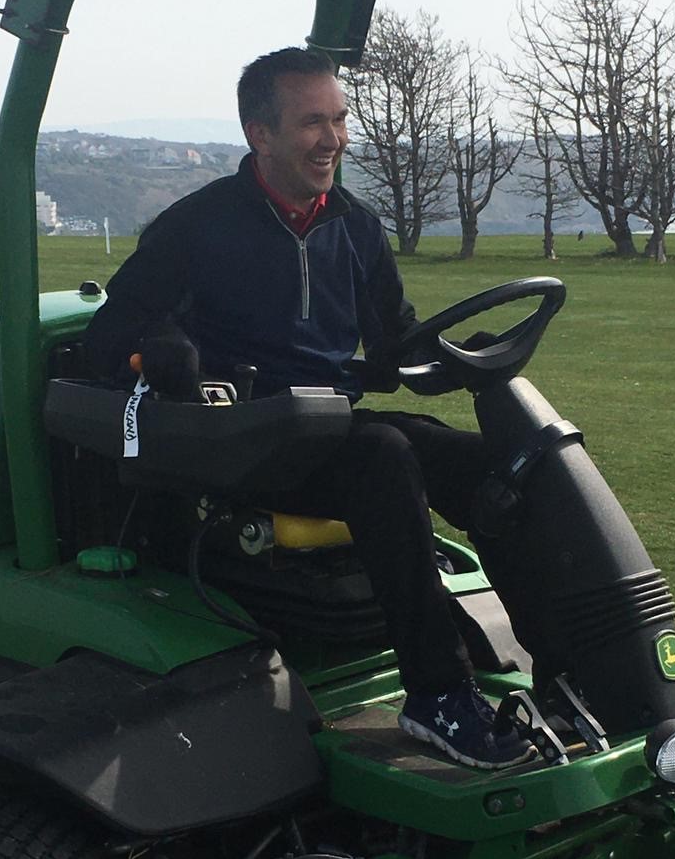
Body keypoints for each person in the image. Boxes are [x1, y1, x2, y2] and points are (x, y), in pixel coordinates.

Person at [80, 47, 531, 771]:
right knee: (384, 460)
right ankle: (439, 698)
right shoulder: (198, 227)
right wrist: (158, 344)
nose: (334, 139)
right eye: (312, 123)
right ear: (260, 134)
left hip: (327, 427)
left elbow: (392, 348)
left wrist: (451, 355)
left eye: (341, 119)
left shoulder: (354, 226)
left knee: (503, 463)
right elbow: (112, 335)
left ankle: (567, 656)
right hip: (238, 439)